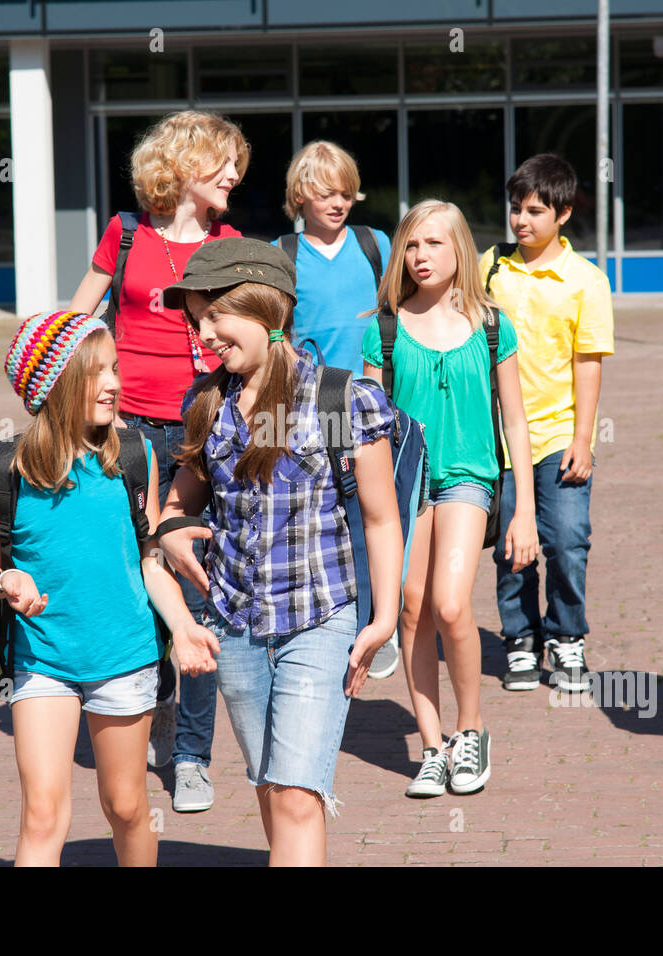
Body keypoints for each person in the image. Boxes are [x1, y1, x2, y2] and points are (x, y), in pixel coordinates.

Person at [157, 238, 403, 865]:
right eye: (195, 319)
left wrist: (383, 619)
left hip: (319, 621)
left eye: (215, 315)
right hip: (233, 626)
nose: (203, 332)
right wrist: (172, 531)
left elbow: (380, 518)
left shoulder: (342, 399)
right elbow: (178, 506)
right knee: (271, 789)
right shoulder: (206, 403)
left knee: (296, 795)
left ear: (267, 308)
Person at [0, 311, 214, 866]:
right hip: (41, 662)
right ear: (53, 385)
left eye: (115, 368)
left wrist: (183, 625)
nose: (115, 383)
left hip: (125, 657)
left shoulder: (135, 456)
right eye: (96, 372)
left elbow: (151, 559)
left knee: (126, 807)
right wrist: (7, 578)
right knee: (42, 814)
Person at [68, 110, 249, 814]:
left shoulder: (231, 243)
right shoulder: (126, 234)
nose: (235, 174)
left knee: (201, 583)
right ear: (180, 165)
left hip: (202, 425)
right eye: (222, 161)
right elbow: (79, 322)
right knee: (136, 574)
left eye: (239, 163)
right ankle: (160, 707)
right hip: (125, 429)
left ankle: (194, 755)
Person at [361, 199, 540, 798]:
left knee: (452, 605)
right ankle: (432, 746)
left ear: (459, 248)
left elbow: (516, 423)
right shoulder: (382, 329)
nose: (419, 257)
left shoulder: (493, 325)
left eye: (433, 244)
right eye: (411, 245)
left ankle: (472, 731)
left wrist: (525, 511)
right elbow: (368, 428)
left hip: (470, 475)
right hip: (405, 483)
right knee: (411, 609)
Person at [482, 153, 615, 695]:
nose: (521, 220)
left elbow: (588, 363)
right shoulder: (490, 266)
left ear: (563, 213)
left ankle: (566, 638)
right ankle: (519, 638)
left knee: (567, 539)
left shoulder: (585, 279)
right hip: (498, 438)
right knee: (513, 543)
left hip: (560, 433)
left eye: (535, 210)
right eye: (516, 208)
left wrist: (584, 440)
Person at [272, 140, 399, 680]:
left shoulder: (375, 244)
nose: (339, 202)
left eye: (347, 192)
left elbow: (402, 314)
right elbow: (274, 331)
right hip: (308, 409)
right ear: (300, 194)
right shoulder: (281, 252)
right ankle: (317, 621)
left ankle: (377, 621)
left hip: (370, 404)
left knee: (369, 514)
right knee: (315, 514)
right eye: (326, 192)